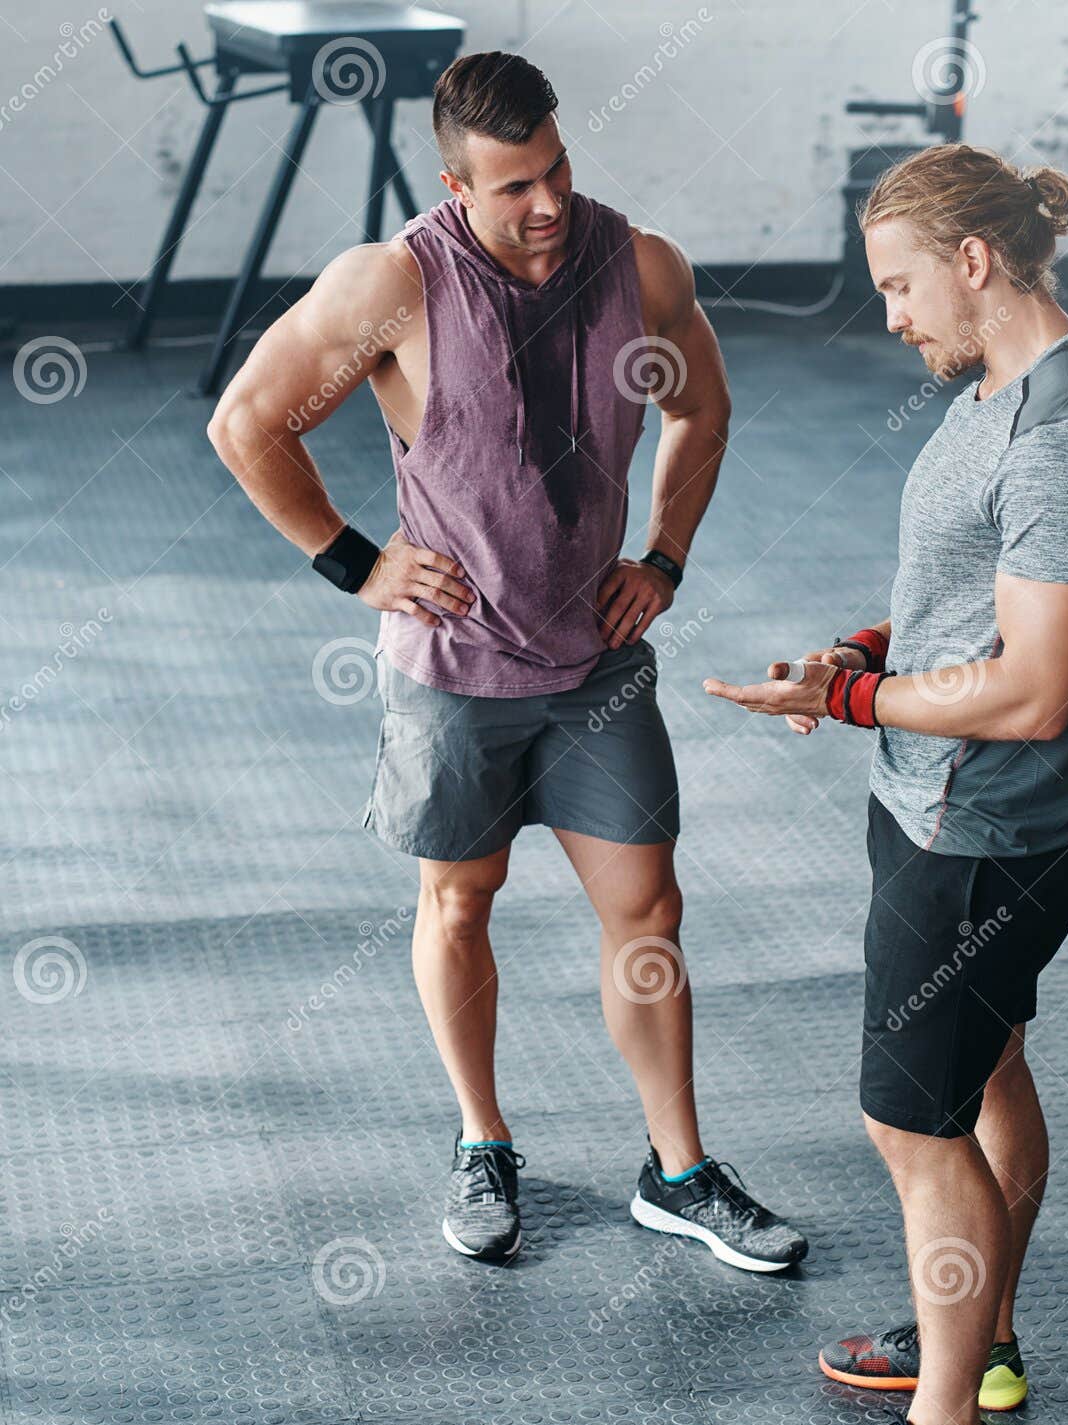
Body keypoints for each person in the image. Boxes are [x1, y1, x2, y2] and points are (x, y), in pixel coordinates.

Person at [208, 51, 806, 1274]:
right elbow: (247, 422)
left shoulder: (639, 265)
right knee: (459, 902)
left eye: (557, 172)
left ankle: (677, 1169)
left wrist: (666, 556)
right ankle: (483, 1140)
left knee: (648, 911)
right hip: (451, 671)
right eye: (514, 186)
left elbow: (703, 408)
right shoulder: (393, 285)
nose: (545, 205)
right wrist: (355, 564)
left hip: (594, 664)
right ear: (454, 183)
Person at [705, 143, 1068, 1425]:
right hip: (946, 807)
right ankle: (982, 1334)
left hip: (982, 827)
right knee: (987, 1063)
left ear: (975, 262)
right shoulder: (1000, 398)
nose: (892, 315)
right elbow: (983, 606)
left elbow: (1034, 688)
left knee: (912, 1122)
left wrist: (850, 700)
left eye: (902, 284)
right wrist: (857, 653)